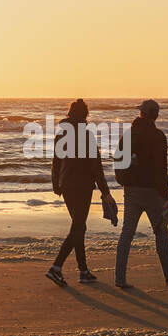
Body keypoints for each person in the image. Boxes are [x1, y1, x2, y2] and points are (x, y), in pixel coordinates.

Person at [114, 99, 168, 288]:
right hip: (151, 191)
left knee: (127, 233)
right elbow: (161, 170)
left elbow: (118, 161)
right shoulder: (157, 136)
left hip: (130, 190)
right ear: (155, 115)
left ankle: (120, 278)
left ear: (142, 114)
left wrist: (123, 181)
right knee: (161, 231)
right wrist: (167, 197)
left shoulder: (129, 135)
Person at [46, 99, 114, 286]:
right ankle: (56, 267)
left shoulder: (62, 135)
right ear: (85, 116)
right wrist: (105, 191)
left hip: (67, 186)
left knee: (79, 226)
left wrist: (56, 185)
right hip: (82, 187)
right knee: (78, 226)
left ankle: (83, 271)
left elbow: (56, 163)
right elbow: (96, 167)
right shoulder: (86, 136)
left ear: (69, 114)